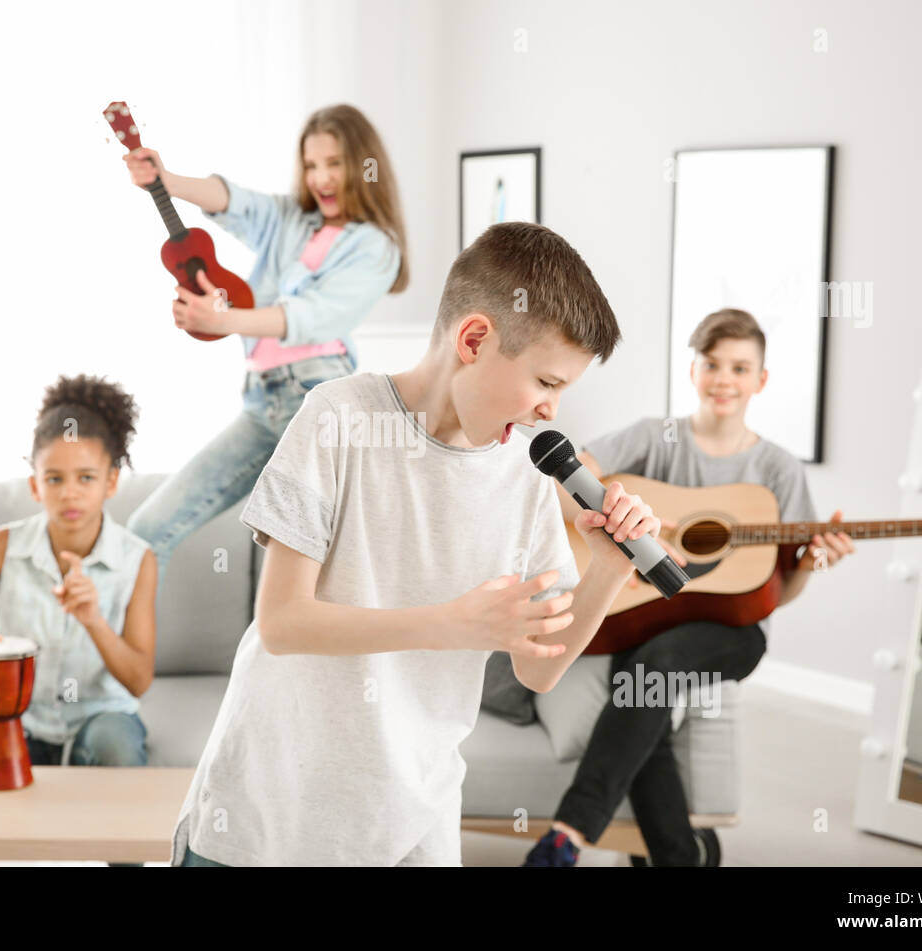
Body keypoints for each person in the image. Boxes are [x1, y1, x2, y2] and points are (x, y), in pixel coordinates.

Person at [172, 221, 661, 866]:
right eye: (546, 382)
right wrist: (451, 624)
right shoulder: (338, 417)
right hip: (264, 818)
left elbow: (538, 668)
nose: (552, 411)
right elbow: (284, 623)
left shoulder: (527, 472)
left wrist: (605, 572)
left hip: (413, 819)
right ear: (476, 338)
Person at [524, 308, 855, 867]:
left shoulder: (777, 469)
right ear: (694, 369)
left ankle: (569, 833)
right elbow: (568, 476)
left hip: (732, 629)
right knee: (642, 683)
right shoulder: (656, 437)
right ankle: (681, 855)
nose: (724, 378)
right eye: (713, 364)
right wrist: (621, 524)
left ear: (761, 380)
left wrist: (813, 564)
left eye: (740, 368)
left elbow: (776, 590)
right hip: (644, 612)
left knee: (651, 669)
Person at [121, 103, 408, 582]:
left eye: (334, 163)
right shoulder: (292, 220)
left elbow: (311, 317)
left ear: (362, 166)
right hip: (262, 402)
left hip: (318, 403)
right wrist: (165, 179)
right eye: (312, 165)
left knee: (316, 572)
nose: (321, 178)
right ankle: (123, 658)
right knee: (146, 529)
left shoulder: (376, 248)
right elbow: (236, 201)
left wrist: (224, 318)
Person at [0, 374, 158, 864]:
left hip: (97, 719)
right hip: (12, 721)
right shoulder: (4, 544)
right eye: (54, 479)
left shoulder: (138, 560)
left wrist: (93, 620)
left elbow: (139, 680)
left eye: (86, 478)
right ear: (35, 486)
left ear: (111, 482)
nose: (70, 494)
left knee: (118, 748)